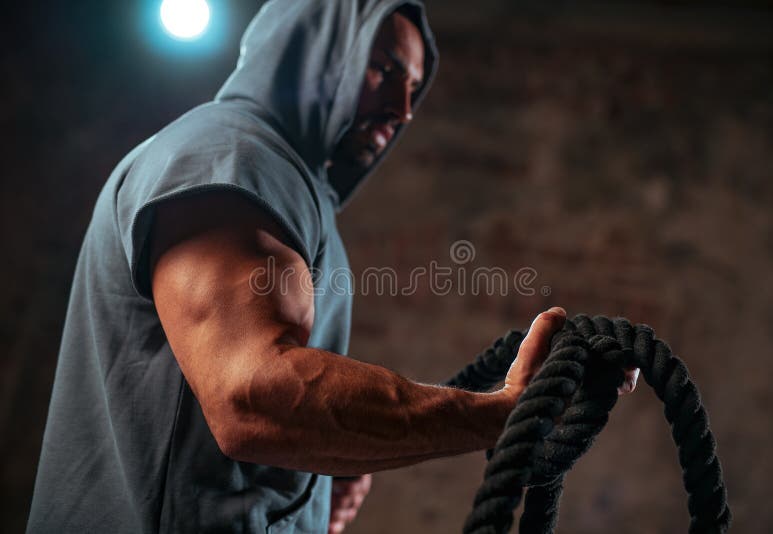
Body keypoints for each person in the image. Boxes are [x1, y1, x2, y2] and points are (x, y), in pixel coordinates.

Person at [28, 1, 638, 533]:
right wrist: (498, 416)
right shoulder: (230, 158)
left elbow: (248, 428)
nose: (403, 108)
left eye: (413, 86)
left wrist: (316, 483)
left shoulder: (286, 186)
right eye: (384, 69)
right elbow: (253, 397)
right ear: (312, 53)